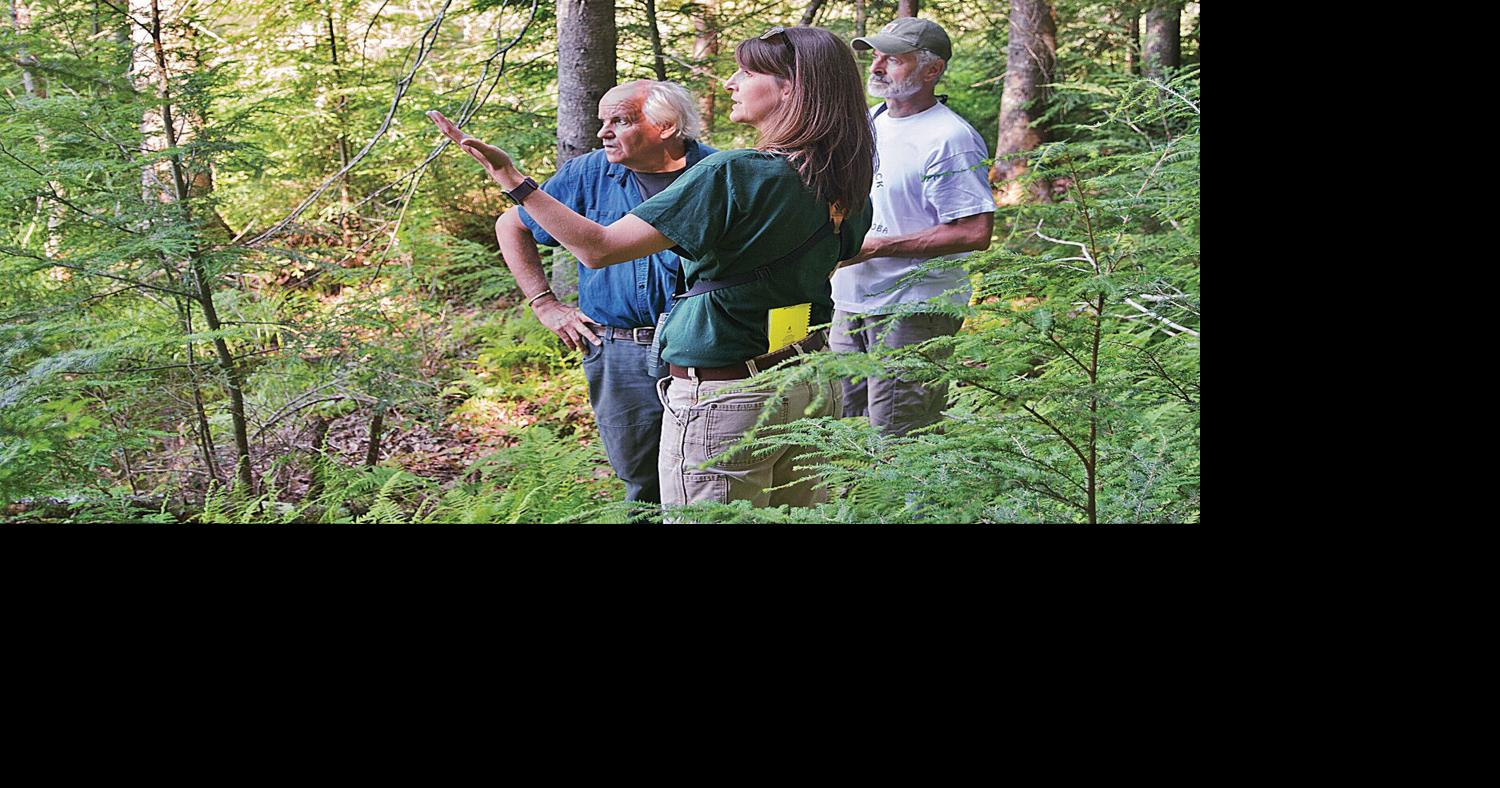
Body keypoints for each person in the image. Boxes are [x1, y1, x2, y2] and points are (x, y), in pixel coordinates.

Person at [430, 25, 873, 511]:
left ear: (790, 87)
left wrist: (512, 178)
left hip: (726, 392)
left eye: (746, 72)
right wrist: (546, 304)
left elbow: (598, 248)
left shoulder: (733, 172)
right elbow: (841, 253)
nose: (730, 83)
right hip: (805, 375)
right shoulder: (840, 176)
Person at [449, 80, 715, 505]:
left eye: (619, 121)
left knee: (708, 474)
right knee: (642, 482)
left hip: (707, 351)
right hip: (620, 353)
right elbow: (512, 225)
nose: (603, 132)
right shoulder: (588, 173)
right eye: (601, 122)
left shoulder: (718, 173)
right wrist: (545, 304)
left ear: (666, 126)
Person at [831, 17, 996, 437]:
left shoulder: (950, 137)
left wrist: (877, 247)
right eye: (876, 56)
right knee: (844, 431)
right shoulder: (868, 122)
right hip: (848, 300)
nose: (877, 66)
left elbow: (975, 232)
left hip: (914, 308)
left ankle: (917, 507)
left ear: (932, 69)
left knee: (900, 433)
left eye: (893, 59)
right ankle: (851, 506)